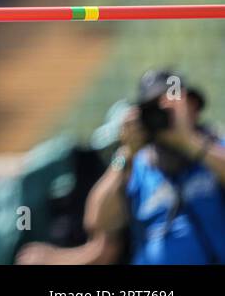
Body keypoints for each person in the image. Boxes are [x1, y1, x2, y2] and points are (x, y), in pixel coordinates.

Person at [84, 70, 225, 264]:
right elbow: (96, 221)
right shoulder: (135, 165)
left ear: (193, 107)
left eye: (171, 107)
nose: (163, 117)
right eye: (155, 109)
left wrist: (189, 141)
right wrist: (126, 154)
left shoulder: (215, 147)